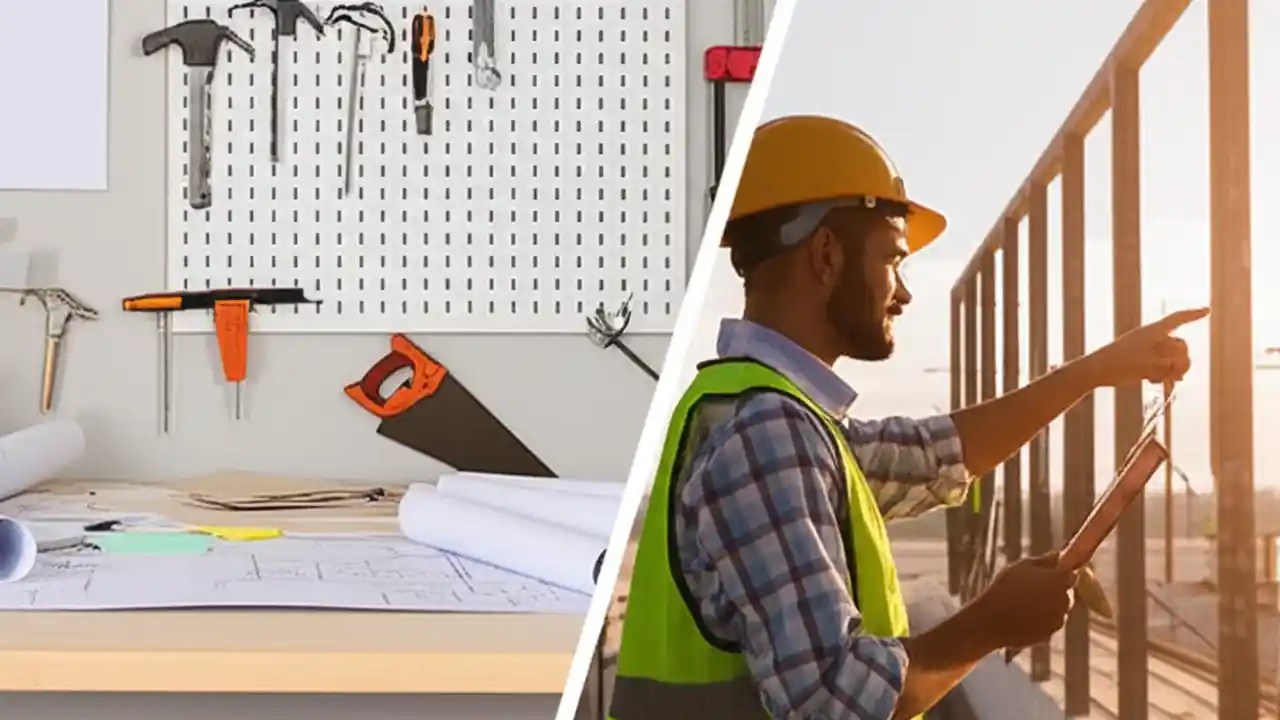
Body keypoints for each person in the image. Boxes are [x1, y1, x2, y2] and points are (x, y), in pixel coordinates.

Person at [608, 115, 1205, 720]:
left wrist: (1097, 370)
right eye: (893, 259)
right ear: (826, 255)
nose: (903, 293)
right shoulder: (766, 432)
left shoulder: (761, 410)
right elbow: (834, 699)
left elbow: (932, 457)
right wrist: (991, 622)